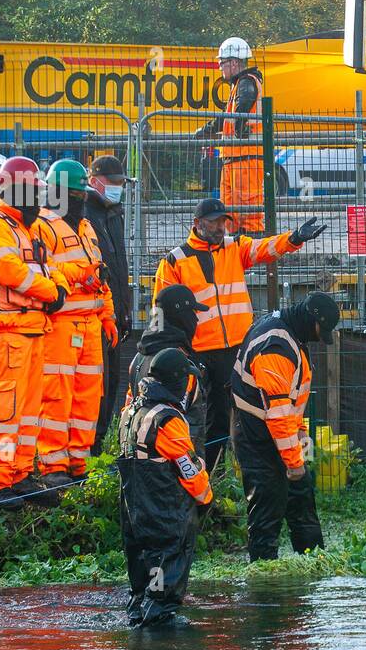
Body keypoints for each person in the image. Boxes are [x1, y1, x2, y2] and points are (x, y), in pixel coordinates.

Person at [152, 196, 326, 473]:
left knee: (228, 416)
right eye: (214, 222)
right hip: (195, 351)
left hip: (234, 349)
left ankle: (216, 472)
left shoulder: (234, 247)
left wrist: (293, 239)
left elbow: (265, 247)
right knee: (193, 414)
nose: (221, 227)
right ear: (197, 224)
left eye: (224, 221)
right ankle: (192, 472)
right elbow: (161, 308)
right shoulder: (175, 261)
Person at [0, 156, 70, 508]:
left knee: (29, 410)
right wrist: (51, 292)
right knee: (5, 410)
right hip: (8, 332)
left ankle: (21, 474)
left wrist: (58, 289)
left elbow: (51, 267)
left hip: (33, 329)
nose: (37, 198)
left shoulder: (27, 228)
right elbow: (9, 271)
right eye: (31, 191)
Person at [230, 291, 340, 562]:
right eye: (320, 330)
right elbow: (278, 413)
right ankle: (264, 572)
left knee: (300, 494)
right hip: (257, 432)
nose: (319, 337)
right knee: (268, 501)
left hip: (275, 428)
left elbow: (290, 401)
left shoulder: (288, 332)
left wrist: (299, 437)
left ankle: (314, 559)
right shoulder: (277, 347)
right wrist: (294, 463)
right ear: (311, 319)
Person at [35, 159, 117, 489]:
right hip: (60, 325)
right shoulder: (42, 226)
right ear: (56, 193)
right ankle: (53, 464)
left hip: (91, 325)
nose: (80, 199)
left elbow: (99, 275)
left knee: (86, 397)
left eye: (81, 193)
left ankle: (78, 461)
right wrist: (80, 276)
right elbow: (44, 272)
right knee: (56, 396)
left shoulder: (85, 228)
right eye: (74, 193)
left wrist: (107, 314)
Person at [117, 347, 213, 628]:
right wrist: (205, 499)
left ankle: (139, 610)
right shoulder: (168, 419)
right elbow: (188, 469)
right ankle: (160, 617)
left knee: (139, 559)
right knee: (170, 551)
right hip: (163, 506)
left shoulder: (130, 411)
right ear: (176, 381)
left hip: (131, 508)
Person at [84, 154, 132, 449]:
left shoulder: (113, 212)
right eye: (112, 182)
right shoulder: (83, 212)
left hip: (113, 314)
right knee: (95, 385)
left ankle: (97, 443)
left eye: (120, 183)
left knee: (111, 381)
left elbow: (119, 265)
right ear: (93, 181)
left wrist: (123, 311)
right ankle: (87, 446)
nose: (117, 188)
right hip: (94, 315)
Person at [125, 284, 208, 453]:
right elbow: (182, 427)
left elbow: (128, 409)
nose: (196, 320)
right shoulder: (178, 365)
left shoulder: (139, 357)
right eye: (193, 313)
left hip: (138, 459)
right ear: (181, 316)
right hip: (174, 467)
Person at [195, 37, 265, 234]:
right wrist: (208, 129)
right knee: (231, 212)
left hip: (246, 159)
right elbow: (227, 117)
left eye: (222, 63)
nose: (220, 67)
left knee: (248, 211)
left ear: (234, 62)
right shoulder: (238, 86)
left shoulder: (247, 83)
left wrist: (240, 124)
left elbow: (242, 106)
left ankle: (253, 250)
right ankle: (236, 249)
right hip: (235, 159)